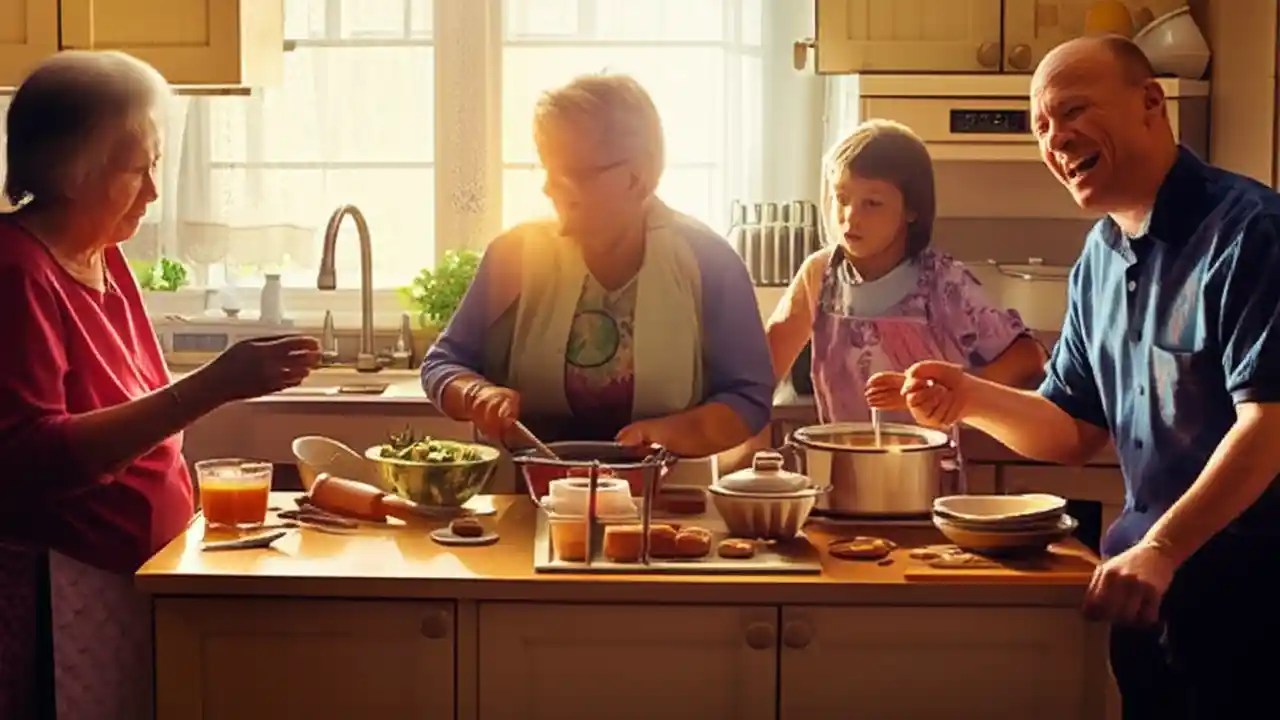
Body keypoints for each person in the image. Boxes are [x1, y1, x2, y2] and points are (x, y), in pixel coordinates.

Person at [882, 36, 1280, 719]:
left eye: (1072, 111)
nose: (1055, 138)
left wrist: (1160, 547)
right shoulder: (1099, 256)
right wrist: (969, 396)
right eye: (1041, 126)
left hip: (1254, 612)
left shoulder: (1253, 234)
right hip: (1147, 605)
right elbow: (1071, 430)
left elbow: (1270, 425)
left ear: (1151, 104)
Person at [0, 51, 321, 719]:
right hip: (62, 582)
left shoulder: (104, 255)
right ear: (70, 171)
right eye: (135, 168)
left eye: (157, 166)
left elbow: (139, 415)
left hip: (134, 572)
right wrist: (215, 384)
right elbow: (32, 456)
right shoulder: (16, 270)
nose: (152, 191)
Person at [421, 73, 774, 461]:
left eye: (571, 173)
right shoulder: (515, 254)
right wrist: (476, 394)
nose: (549, 188)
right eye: (547, 169)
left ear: (637, 178)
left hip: (666, 500)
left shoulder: (708, 260)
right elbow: (444, 362)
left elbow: (748, 396)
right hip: (529, 495)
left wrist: (668, 433)